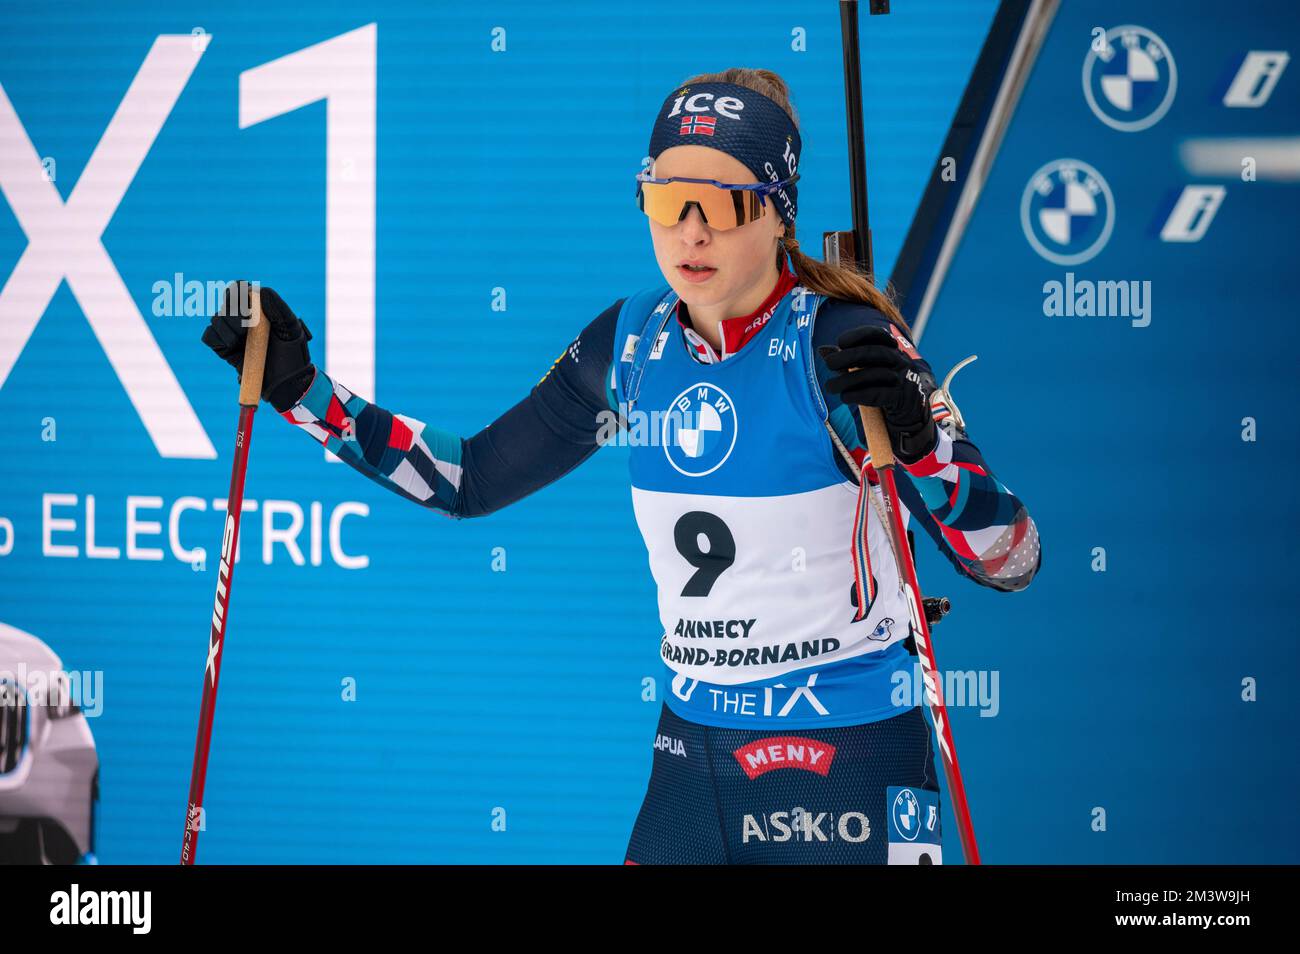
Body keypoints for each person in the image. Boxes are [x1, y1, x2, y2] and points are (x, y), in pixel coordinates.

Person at [203, 67, 1040, 865]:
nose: (692, 232)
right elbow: (470, 478)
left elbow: (1012, 559)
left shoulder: (837, 346)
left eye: (722, 204)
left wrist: (926, 452)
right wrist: (303, 393)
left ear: (779, 214)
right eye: (668, 202)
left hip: (848, 753)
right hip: (692, 759)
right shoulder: (629, 344)